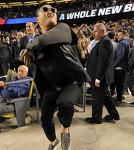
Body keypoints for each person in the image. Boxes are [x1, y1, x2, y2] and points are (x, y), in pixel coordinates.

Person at [22, 4, 90, 150]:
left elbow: (46, 39)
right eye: (45, 10)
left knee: (64, 103)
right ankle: (53, 141)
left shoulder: (63, 28)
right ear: (37, 18)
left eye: (53, 10)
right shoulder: (37, 43)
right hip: (51, 86)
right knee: (45, 119)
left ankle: (65, 128)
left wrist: (30, 46)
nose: (50, 11)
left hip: (71, 80)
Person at [86, 23, 120, 124]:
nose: (94, 33)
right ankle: (114, 115)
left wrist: (98, 77)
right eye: (94, 31)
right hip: (102, 76)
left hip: (100, 77)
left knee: (97, 98)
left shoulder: (104, 41)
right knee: (106, 97)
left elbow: (103, 61)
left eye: (96, 31)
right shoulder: (104, 41)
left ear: (103, 31)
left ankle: (96, 118)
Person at [0, 65, 31, 138]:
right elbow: (7, 90)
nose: (20, 73)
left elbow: (18, 92)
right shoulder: (15, 79)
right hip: (2, 99)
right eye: (18, 71)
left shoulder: (25, 81)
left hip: (11, 103)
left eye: (22, 71)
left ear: (26, 73)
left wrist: (6, 86)